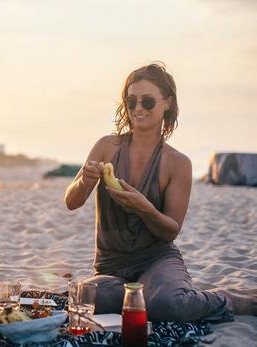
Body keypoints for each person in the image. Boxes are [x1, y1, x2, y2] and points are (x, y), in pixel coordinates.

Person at [64, 62, 255, 322]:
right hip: (111, 266)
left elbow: (170, 230)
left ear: (167, 103)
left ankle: (227, 299)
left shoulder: (177, 163)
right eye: (131, 102)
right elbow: (72, 202)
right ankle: (149, 295)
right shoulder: (107, 146)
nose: (138, 109)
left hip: (157, 260)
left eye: (148, 102)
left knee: (168, 306)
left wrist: (144, 207)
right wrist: (84, 181)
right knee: (82, 297)